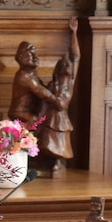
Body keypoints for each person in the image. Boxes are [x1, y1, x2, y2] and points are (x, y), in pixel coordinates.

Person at [37, 18, 80, 176]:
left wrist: (73, 34)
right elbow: (43, 102)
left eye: (67, 65)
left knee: (60, 142)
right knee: (46, 141)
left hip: (61, 118)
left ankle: (58, 162)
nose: (66, 66)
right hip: (49, 116)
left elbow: (76, 57)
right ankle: (47, 161)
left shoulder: (70, 82)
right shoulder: (52, 85)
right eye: (63, 64)